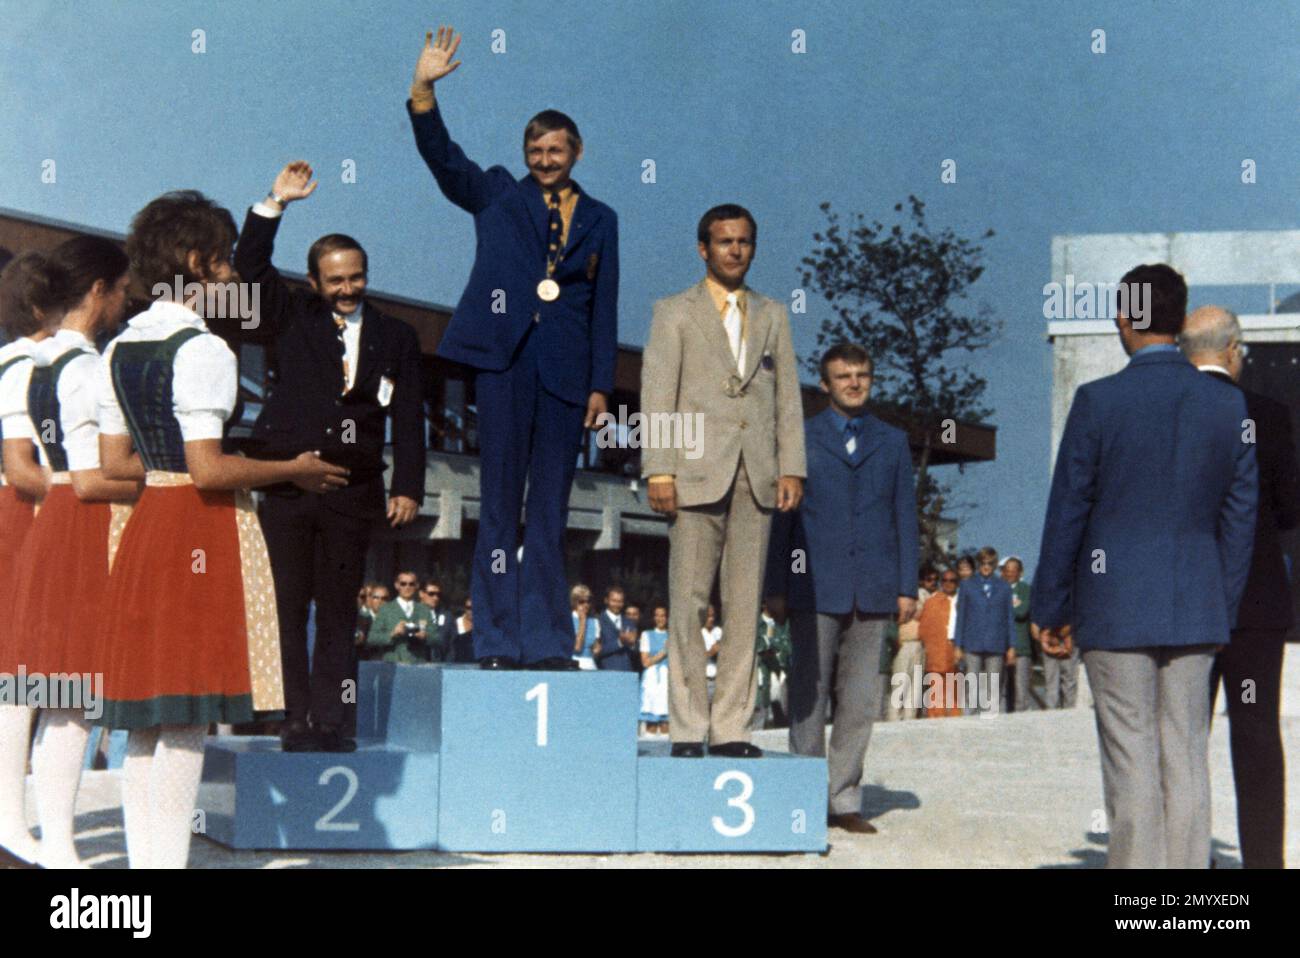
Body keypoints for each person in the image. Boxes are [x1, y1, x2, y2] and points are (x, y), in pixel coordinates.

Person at [96, 191, 348, 868]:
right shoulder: (204, 349)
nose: (233, 277)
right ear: (197, 264)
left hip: (148, 526)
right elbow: (209, 470)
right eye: (226, 262)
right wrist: (291, 467)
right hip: (199, 532)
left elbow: (115, 462)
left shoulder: (120, 346)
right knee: (185, 717)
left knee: (147, 722)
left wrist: (167, 470)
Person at [408, 26, 618, 671]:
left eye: (556, 150)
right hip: (502, 364)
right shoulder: (498, 192)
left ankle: (549, 642)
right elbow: (445, 160)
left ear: (577, 152)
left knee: (551, 509)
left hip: (564, 376)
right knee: (498, 506)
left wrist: (601, 386)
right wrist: (423, 91)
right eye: (536, 148)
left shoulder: (602, 219)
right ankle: (497, 641)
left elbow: (604, 306)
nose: (545, 159)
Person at [1033, 264, 1256, 870]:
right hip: (1197, 607)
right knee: (1185, 754)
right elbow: (1240, 523)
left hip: (1115, 607)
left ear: (1125, 319)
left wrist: (1049, 605)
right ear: (1181, 323)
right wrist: (1223, 604)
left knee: (1131, 757)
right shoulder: (1228, 407)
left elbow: (1068, 513)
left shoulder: (1097, 402)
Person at [228, 160, 426, 752]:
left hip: (353, 489)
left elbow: (408, 416)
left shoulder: (397, 335)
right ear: (313, 282)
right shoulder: (291, 316)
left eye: (356, 278)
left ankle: (334, 721)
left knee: (340, 611)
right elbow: (249, 269)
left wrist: (408, 486)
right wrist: (274, 204)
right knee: (286, 607)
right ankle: (292, 718)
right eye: (335, 281)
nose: (347, 289)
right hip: (288, 485)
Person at [642, 204, 805, 758]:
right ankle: (687, 727)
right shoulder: (674, 312)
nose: (735, 250)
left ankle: (733, 725)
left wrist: (791, 466)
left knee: (744, 604)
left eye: (745, 242)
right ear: (703, 248)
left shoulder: (774, 315)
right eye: (724, 241)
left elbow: (788, 396)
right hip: (691, 473)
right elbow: (658, 392)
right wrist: (658, 467)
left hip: (756, 474)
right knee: (686, 602)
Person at [1, 238, 138, 869]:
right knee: (53, 690)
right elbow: (64, 474)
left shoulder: (46, 358)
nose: (128, 300)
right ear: (97, 290)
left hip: (52, 518)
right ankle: (36, 835)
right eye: (122, 288)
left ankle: (45, 837)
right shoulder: (65, 365)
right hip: (59, 521)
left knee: (52, 689)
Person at [765, 343, 918, 831]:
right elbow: (782, 520)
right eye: (843, 376)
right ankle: (804, 795)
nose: (854, 383)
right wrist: (776, 584)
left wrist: (906, 584)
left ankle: (845, 799)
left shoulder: (893, 441)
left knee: (858, 700)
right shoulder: (800, 439)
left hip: (873, 587)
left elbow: (904, 517)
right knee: (808, 694)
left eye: (862, 374)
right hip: (813, 584)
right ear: (825, 384)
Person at [1182, 305, 1298, 868]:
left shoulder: (1171, 411)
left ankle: (1180, 864)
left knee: (1182, 742)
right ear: (1233, 351)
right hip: (1254, 606)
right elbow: (1289, 508)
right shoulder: (1268, 415)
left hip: (1183, 607)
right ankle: (1263, 867)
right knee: (1255, 734)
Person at [0, 254, 52, 866]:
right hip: (20, 512)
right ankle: (11, 821)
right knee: (19, 676)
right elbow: (23, 463)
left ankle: (13, 818)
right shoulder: (26, 365)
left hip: (22, 511)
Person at [954, 547, 1015, 716]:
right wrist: (958, 645)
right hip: (972, 642)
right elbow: (961, 618)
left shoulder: (1004, 587)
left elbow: (1009, 617)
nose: (986, 566)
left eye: (990, 563)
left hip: (996, 643)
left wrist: (1011, 646)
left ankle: (992, 724)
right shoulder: (966, 585)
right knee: (971, 685)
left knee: (993, 687)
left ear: (995, 565)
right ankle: (969, 722)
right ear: (978, 564)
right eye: (983, 563)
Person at [918, 569, 962, 717]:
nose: (949, 584)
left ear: (958, 583)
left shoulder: (963, 600)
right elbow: (924, 629)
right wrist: (933, 650)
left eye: (953, 580)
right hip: (938, 651)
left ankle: (956, 728)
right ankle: (935, 728)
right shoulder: (932, 602)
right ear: (941, 582)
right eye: (945, 580)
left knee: (956, 694)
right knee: (936, 693)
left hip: (959, 648)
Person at [366, 572, 435, 664]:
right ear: (397, 585)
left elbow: (437, 638)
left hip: (418, 665)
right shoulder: (386, 609)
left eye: (411, 584)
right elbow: (372, 638)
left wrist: (425, 636)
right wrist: (392, 634)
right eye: (403, 584)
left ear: (417, 586)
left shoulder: (424, 610)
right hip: (392, 665)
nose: (407, 587)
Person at [1001, 556, 1036, 712]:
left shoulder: (1025, 589)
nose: (1010, 574)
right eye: (1007, 570)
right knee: (1001, 688)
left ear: (1020, 572)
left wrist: (1001, 610)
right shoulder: (998, 588)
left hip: (1021, 646)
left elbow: (1022, 611)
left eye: (1013, 570)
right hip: (1000, 646)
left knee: (1021, 690)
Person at [639, 606, 670, 734]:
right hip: (652, 679)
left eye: (663, 615)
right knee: (651, 721)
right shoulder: (647, 635)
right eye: (657, 615)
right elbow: (645, 662)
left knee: (666, 721)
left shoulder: (672, 636)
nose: (660, 618)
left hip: (668, 679)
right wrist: (663, 652)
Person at [595, 585, 637, 672]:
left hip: (627, 672)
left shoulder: (629, 622)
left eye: (620, 601)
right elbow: (596, 651)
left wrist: (633, 645)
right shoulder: (598, 621)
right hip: (606, 671)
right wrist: (619, 642)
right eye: (614, 601)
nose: (617, 604)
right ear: (606, 600)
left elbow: (637, 652)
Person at [419, 579, 454, 663]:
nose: (435, 598)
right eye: (431, 594)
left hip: (440, 666)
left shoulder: (447, 616)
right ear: (421, 594)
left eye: (438, 594)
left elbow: (451, 646)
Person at [570, 584, 600, 670]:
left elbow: (595, 647)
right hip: (574, 662)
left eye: (588, 601)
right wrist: (582, 622)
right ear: (574, 602)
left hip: (590, 663)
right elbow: (577, 647)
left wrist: (596, 649)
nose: (586, 605)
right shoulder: (568, 620)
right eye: (581, 602)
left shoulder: (594, 621)